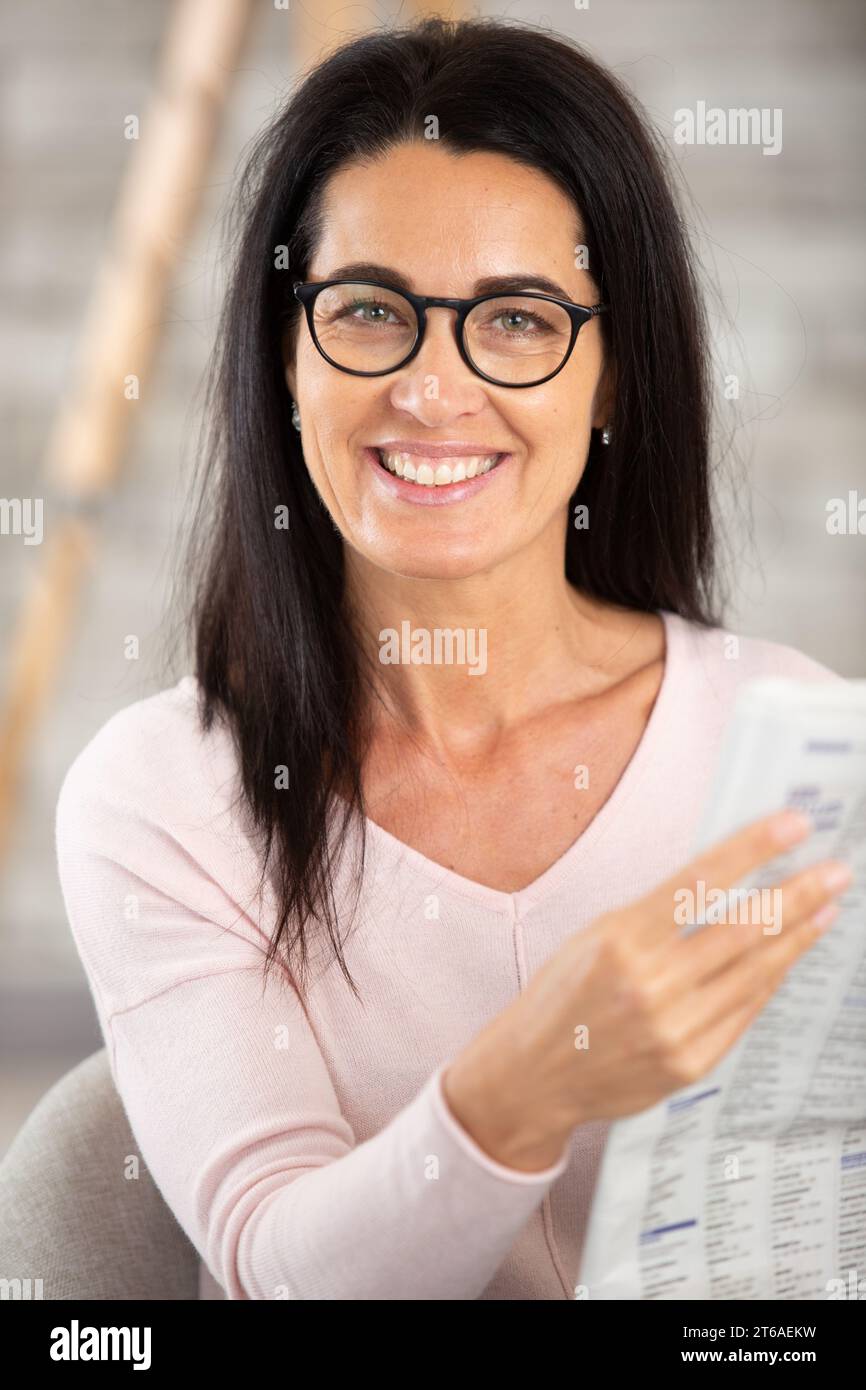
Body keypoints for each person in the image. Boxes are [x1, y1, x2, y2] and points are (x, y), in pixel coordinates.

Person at [56, 16, 852, 1300]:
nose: (433, 389)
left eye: (518, 320)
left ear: (610, 378)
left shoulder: (788, 744)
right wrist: (528, 1081)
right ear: (283, 352)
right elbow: (276, 1273)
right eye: (369, 311)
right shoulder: (162, 795)